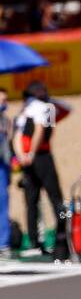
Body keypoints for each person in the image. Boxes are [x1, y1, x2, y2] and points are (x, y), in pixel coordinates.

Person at [12, 81, 66, 258]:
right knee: (41, 199)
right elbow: (36, 132)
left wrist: (24, 155)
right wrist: (28, 154)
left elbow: (38, 131)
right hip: (36, 157)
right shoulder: (38, 107)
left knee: (40, 199)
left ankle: (49, 239)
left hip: (34, 157)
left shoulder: (35, 107)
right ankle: (53, 239)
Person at [0, 87, 10, 256]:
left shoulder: (6, 120)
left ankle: (3, 243)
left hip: (3, 166)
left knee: (3, 202)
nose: (3, 103)